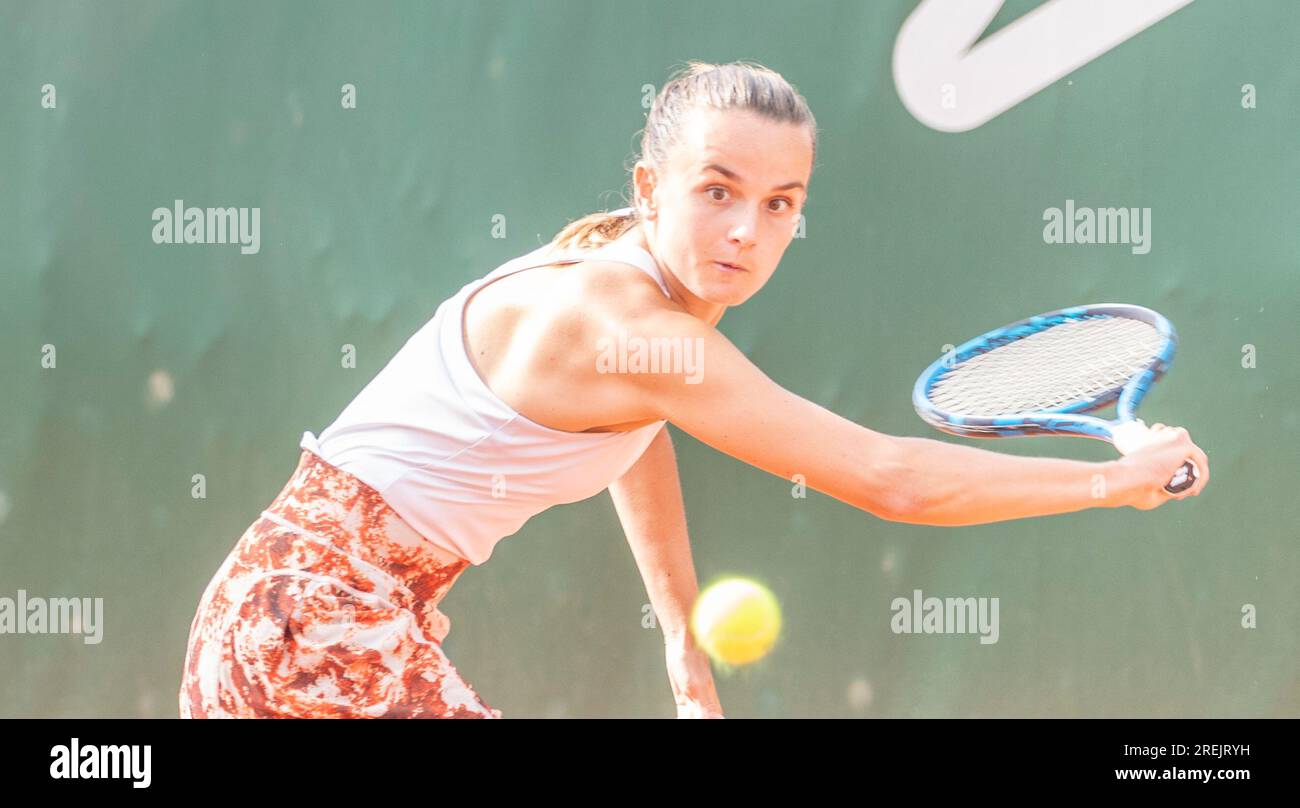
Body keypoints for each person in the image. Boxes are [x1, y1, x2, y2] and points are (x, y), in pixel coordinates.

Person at [178, 60, 1209, 719]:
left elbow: (638, 434)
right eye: (716, 191)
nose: (745, 232)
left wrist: (678, 631)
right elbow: (891, 479)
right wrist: (1109, 486)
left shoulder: (628, 296)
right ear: (648, 189)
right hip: (313, 630)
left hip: (286, 619)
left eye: (777, 203)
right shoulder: (626, 325)